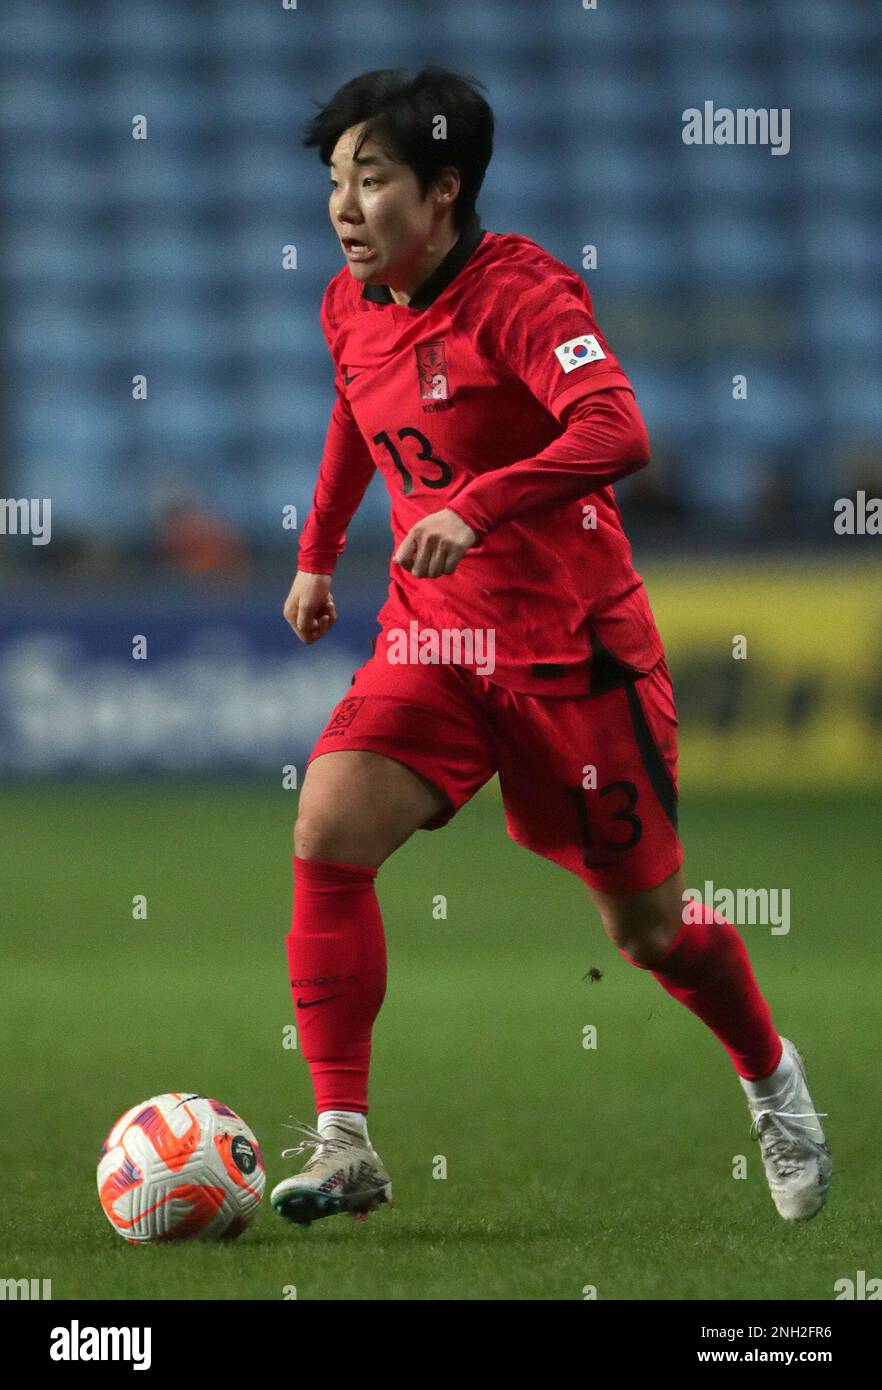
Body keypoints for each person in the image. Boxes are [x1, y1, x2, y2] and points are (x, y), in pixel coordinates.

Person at [273, 67, 830, 1227]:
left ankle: (770, 1073)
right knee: (327, 825)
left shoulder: (522, 294)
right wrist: (318, 550)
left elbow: (618, 428)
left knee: (652, 933)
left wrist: (475, 505)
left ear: (443, 189)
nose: (342, 206)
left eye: (370, 180)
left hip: (574, 658)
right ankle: (346, 1140)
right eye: (335, 180)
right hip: (435, 643)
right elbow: (352, 407)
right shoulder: (349, 300)